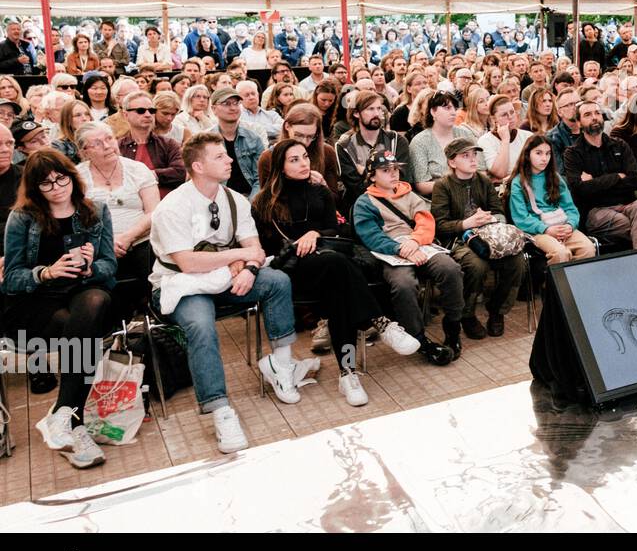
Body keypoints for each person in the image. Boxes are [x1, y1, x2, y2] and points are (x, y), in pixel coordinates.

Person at [149, 132, 310, 453]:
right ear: (197, 166)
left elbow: (256, 249)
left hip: (226, 279)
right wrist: (237, 258)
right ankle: (220, 409)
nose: (230, 160)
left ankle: (281, 366)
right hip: (180, 285)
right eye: (219, 156)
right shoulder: (173, 207)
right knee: (200, 325)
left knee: (276, 281)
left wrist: (250, 269)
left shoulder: (235, 200)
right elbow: (188, 262)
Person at [253, 140, 423, 404]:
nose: (303, 163)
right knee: (339, 266)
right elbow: (268, 249)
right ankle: (379, 322)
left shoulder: (319, 192)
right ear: (280, 166)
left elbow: (335, 230)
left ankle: (348, 373)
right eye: (294, 159)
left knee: (338, 289)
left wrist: (315, 233)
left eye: (305, 157)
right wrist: (303, 243)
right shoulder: (264, 201)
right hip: (291, 273)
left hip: (328, 268)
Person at [3, 150, 117, 469]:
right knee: (80, 327)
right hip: (36, 302)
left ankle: (63, 415)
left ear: (72, 175)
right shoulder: (22, 218)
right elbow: (11, 278)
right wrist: (47, 272)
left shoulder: (95, 210)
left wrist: (90, 267)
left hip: (82, 292)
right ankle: (73, 422)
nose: (56, 188)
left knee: (95, 301)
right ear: (35, 188)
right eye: (46, 184)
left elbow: (110, 266)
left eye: (61, 178)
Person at [428, 139, 528, 339]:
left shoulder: (483, 181)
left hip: (488, 236)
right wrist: (467, 223)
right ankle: (467, 314)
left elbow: (498, 211)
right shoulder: (443, 186)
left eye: (474, 155)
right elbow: (439, 225)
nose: (473, 159)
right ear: (452, 162)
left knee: (517, 262)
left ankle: (497, 311)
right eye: (466, 156)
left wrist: (490, 218)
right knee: (476, 265)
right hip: (458, 240)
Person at [75, 121, 158, 292]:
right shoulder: (77, 177)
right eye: (97, 143)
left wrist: (126, 238)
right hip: (96, 245)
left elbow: (153, 212)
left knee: (152, 267)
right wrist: (107, 243)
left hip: (141, 240)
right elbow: (76, 219)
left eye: (109, 138)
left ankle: (156, 309)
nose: (107, 146)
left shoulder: (138, 169)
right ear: (85, 151)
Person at [563, 99, 637, 249]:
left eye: (597, 113)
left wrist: (595, 182)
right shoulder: (573, 153)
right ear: (579, 123)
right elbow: (580, 190)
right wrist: (616, 176)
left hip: (627, 205)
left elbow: (633, 181)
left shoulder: (619, 144)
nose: (594, 117)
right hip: (597, 211)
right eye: (587, 114)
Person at [507, 135, 595, 264]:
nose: (544, 158)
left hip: (562, 225)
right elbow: (521, 218)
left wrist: (570, 225)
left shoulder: (555, 177)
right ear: (527, 154)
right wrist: (545, 229)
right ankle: (553, 283)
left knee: (588, 249)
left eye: (548, 154)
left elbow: (570, 208)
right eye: (538, 153)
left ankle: (575, 282)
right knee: (560, 254)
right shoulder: (518, 182)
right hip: (537, 231)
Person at [335, 90, 410, 213]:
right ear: (356, 113)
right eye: (370, 109)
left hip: (397, 204)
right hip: (363, 208)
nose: (377, 114)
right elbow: (356, 188)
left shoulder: (396, 141)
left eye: (379, 109)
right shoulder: (345, 146)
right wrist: (385, 174)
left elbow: (400, 179)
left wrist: (365, 173)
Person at [114, 90, 185, 197]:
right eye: (141, 111)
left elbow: (180, 173)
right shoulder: (117, 147)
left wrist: (148, 174)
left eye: (151, 110)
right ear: (125, 115)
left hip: (165, 204)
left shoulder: (169, 144)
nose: (147, 115)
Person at [409, 90, 476, 195]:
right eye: (447, 108)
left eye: (455, 108)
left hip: (470, 192)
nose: (453, 112)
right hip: (438, 198)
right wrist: (454, 183)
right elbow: (421, 185)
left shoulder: (466, 134)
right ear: (433, 112)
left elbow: (479, 169)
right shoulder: (420, 142)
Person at [209, 87, 264, 197]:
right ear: (214, 109)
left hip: (250, 196)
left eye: (236, 103)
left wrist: (251, 203)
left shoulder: (253, 138)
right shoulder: (207, 140)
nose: (233, 108)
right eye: (226, 104)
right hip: (219, 197)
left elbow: (260, 177)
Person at [477, 94, 532, 184]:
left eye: (512, 112)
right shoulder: (485, 141)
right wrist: (505, 140)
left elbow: (535, 169)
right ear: (494, 118)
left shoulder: (528, 136)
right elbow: (500, 172)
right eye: (504, 115)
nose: (510, 117)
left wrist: (509, 178)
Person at [237, 80, 282, 146]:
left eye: (253, 94)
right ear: (239, 99)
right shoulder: (237, 116)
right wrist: (270, 129)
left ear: (258, 95)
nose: (251, 97)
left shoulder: (272, 114)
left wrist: (257, 128)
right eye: (247, 95)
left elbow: (283, 128)